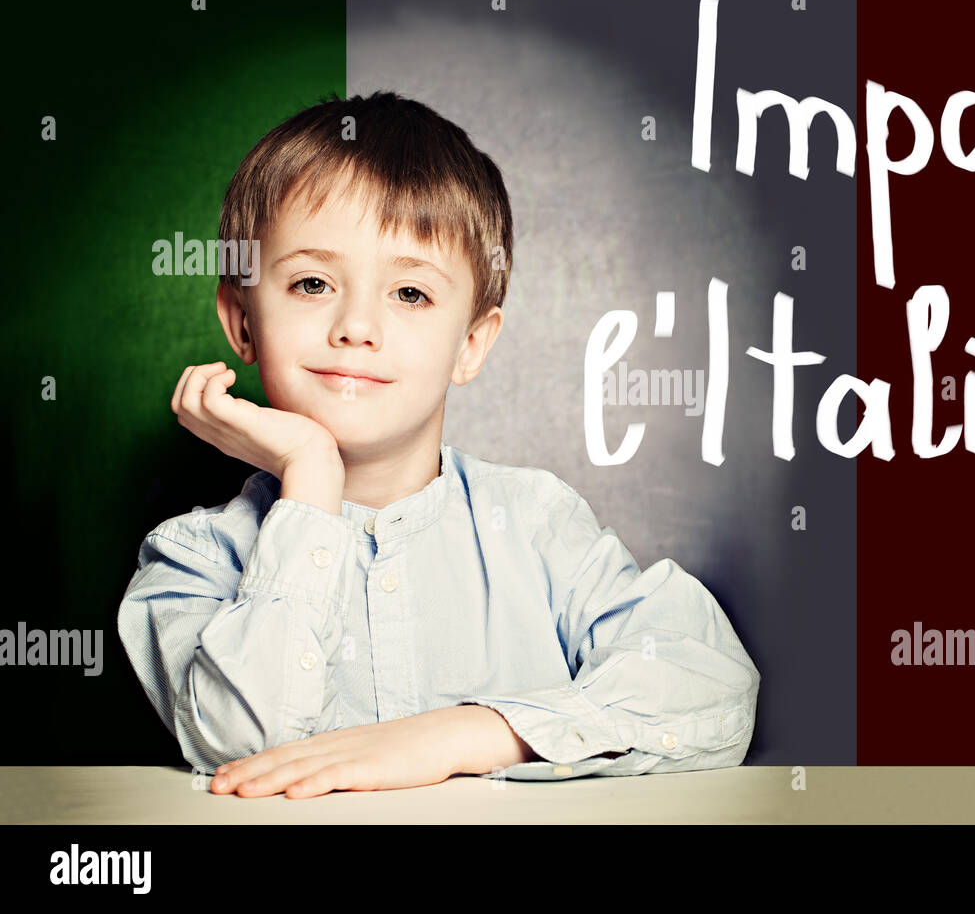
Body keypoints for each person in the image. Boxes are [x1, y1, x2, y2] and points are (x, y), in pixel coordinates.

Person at [117, 91, 759, 798]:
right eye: (311, 282)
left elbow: (712, 685)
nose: (357, 325)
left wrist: (463, 734)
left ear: (472, 344)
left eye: (412, 295)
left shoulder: (540, 527)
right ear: (242, 322)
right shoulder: (192, 558)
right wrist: (310, 474)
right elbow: (239, 740)